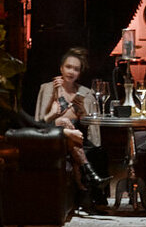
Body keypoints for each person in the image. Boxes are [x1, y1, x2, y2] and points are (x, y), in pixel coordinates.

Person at [34, 47, 108, 206]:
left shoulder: (84, 92)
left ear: (79, 73)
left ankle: (87, 187)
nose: (71, 72)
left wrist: (82, 111)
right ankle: (88, 181)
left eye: (76, 69)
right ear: (61, 68)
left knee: (96, 151)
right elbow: (39, 122)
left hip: (78, 138)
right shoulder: (48, 88)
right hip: (54, 137)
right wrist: (55, 115)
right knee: (65, 123)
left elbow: (89, 126)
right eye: (68, 67)